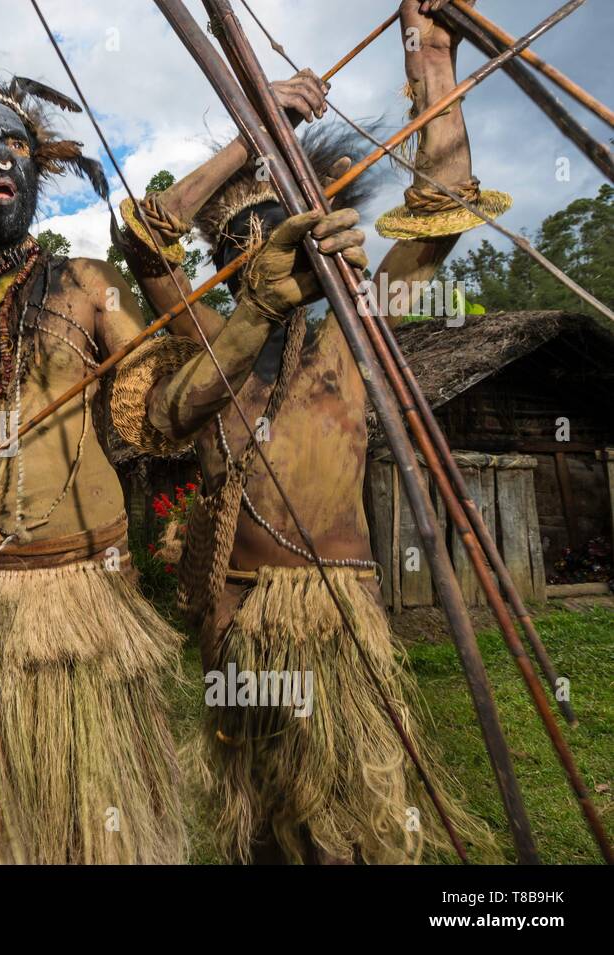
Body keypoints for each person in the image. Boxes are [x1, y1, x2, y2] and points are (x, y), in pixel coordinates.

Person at [0, 37, 364, 864]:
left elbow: (165, 413)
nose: (1, 159)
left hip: (82, 609)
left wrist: (257, 313)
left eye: (18, 145)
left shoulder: (88, 287)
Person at [115, 0, 500, 863]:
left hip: (337, 616)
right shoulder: (208, 342)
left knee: (351, 826)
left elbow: (441, 211)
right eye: (242, 240)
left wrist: (432, 61)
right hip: (237, 612)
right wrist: (256, 134)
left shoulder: (353, 340)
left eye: (284, 230)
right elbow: (147, 240)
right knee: (260, 821)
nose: (267, 250)